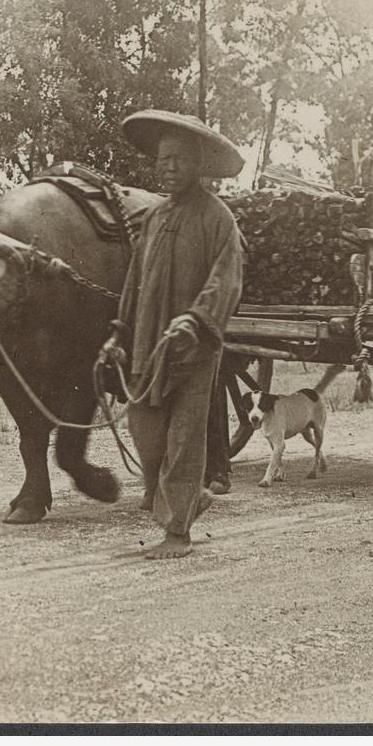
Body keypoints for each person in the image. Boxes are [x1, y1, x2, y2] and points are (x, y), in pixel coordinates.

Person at [101, 110, 244, 560]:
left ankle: (178, 531)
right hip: (147, 342)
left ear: (198, 165)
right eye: (163, 159)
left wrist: (197, 319)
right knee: (145, 430)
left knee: (184, 437)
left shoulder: (218, 219)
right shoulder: (155, 218)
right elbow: (133, 282)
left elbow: (227, 278)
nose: (169, 167)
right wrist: (117, 333)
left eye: (180, 159)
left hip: (191, 347)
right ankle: (186, 498)